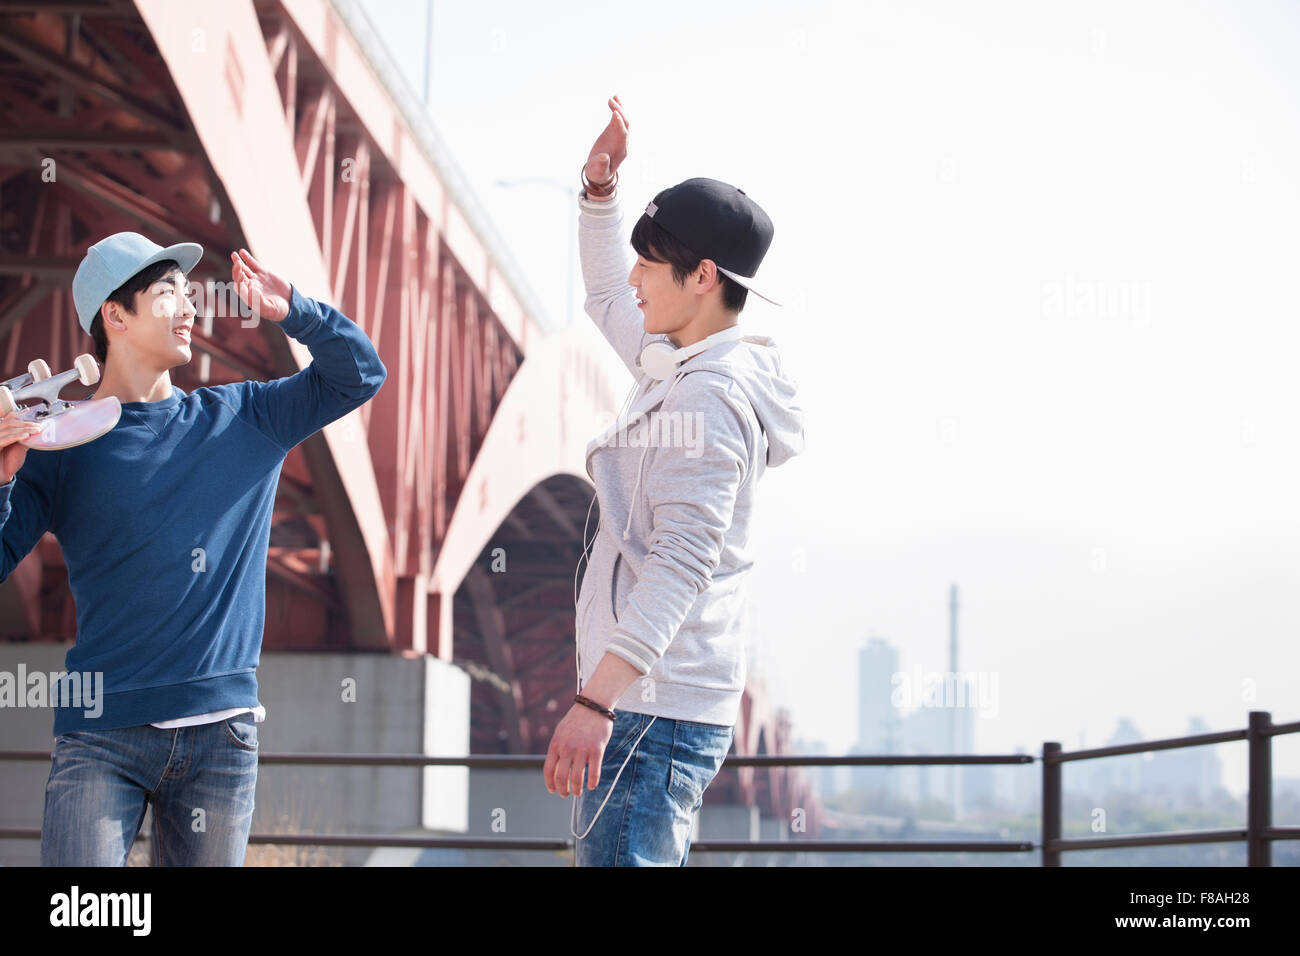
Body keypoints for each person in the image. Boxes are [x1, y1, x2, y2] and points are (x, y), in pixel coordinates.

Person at [0, 232, 386, 865]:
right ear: (115, 316)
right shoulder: (58, 443)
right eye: (165, 293)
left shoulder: (245, 417)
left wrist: (297, 311)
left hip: (220, 735)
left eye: (188, 291)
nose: (189, 307)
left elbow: (361, 374)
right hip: (98, 733)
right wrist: (2, 478)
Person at [542, 96, 805, 866]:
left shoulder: (706, 396)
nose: (634, 276)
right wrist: (599, 193)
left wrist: (597, 699)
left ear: (701, 276)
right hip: (651, 706)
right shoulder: (678, 361)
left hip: (649, 714)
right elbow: (601, 296)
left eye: (650, 262)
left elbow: (683, 561)